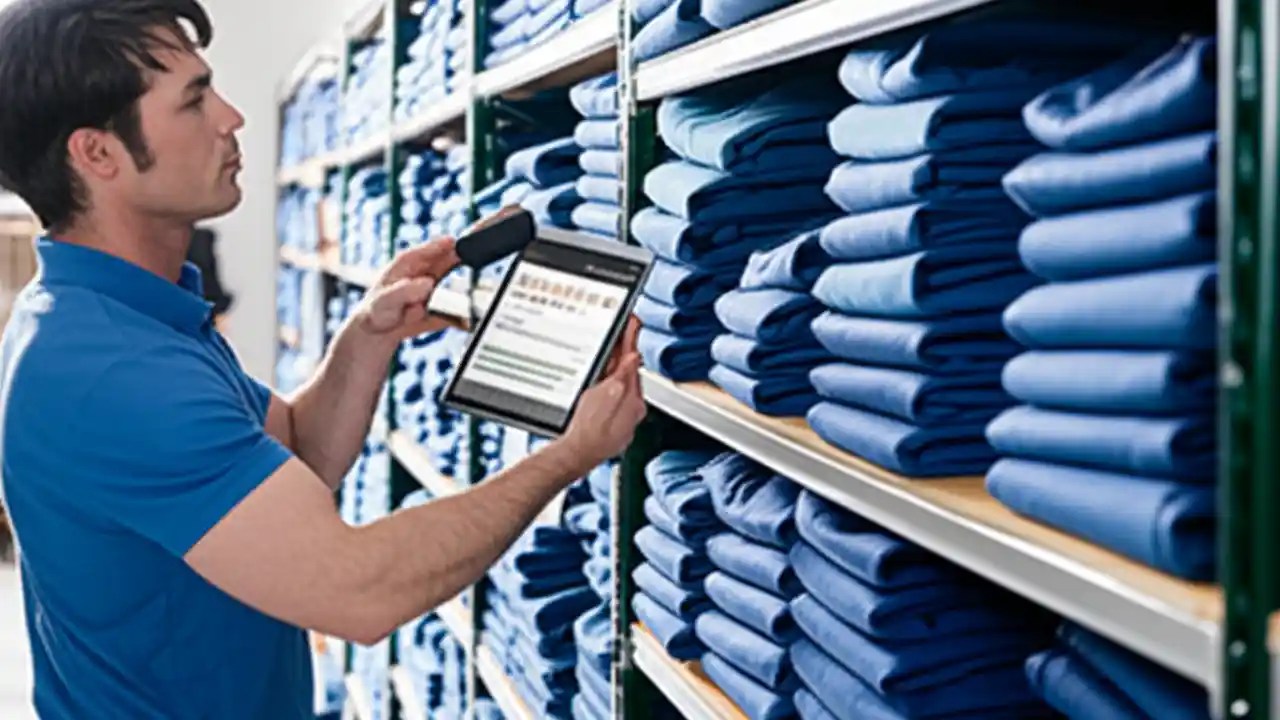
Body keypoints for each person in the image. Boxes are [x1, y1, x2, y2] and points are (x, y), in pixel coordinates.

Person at [0, 1, 647, 718]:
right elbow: (359, 592)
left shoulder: (117, 313)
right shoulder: (111, 372)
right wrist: (568, 456)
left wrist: (367, 336)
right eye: (193, 100)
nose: (231, 117)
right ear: (97, 154)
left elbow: (296, 453)